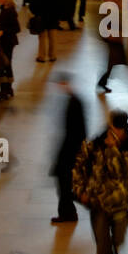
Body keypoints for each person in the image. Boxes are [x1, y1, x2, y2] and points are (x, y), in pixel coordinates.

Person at [72, 109, 128, 254]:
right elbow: (79, 166)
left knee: (118, 239)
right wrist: (80, 191)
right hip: (98, 203)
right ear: (110, 125)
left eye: (121, 129)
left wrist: (114, 150)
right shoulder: (95, 145)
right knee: (103, 242)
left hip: (120, 202)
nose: (118, 132)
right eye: (116, 128)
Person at [50, 74, 87, 224]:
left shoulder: (74, 102)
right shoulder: (74, 100)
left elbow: (76, 131)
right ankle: (68, 213)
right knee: (64, 185)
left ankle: (69, 213)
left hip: (70, 151)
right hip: (70, 150)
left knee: (64, 185)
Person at [0, 0, 20, 100]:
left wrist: (3, 31)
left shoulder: (10, 11)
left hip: (8, 42)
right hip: (5, 41)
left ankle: (5, 90)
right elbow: (3, 24)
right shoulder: (4, 9)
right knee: (6, 65)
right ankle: (8, 89)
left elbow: (16, 28)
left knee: (2, 65)